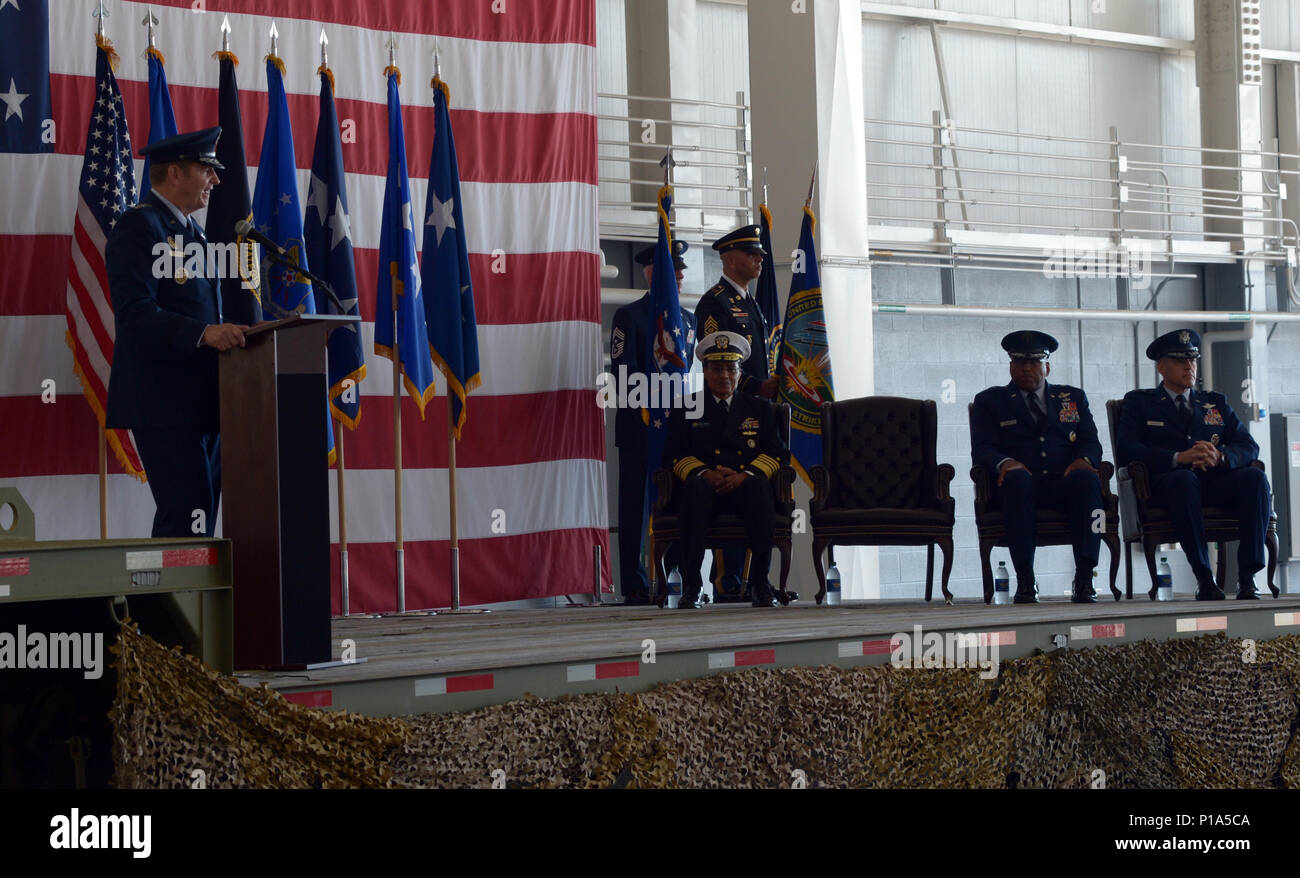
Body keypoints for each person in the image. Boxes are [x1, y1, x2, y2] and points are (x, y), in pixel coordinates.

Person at [105, 127, 248, 538]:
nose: (216, 180)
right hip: (164, 404)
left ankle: (190, 602)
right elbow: (135, 313)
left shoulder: (194, 233)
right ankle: (164, 604)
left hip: (203, 403)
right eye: (208, 170)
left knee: (199, 519)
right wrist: (205, 333)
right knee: (185, 519)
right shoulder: (140, 226)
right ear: (175, 173)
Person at [1116, 329, 1270, 600]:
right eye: (1180, 361)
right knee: (1184, 480)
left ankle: (1248, 577)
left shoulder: (1215, 402)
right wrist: (1178, 457)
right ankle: (1204, 576)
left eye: (1192, 360)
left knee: (1254, 479)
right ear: (1162, 367)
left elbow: (1248, 445)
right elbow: (1128, 450)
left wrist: (1220, 456)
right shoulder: (1140, 402)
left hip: (1212, 480)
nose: (1189, 366)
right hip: (1167, 484)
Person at [970, 331, 1104, 603]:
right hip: (1019, 484)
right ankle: (1025, 579)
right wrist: (1006, 463)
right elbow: (982, 448)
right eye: (1020, 363)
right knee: (1017, 483)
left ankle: (1085, 576)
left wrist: (1085, 460)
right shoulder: (990, 401)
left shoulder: (1073, 398)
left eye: (1034, 362)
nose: (1027, 368)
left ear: (1047, 366)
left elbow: (1092, 442)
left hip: (1063, 482)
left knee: (1090, 482)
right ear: (1011, 366)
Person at [663, 331, 786, 609]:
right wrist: (705, 473)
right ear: (705, 371)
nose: (724, 375)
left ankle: (760, 585)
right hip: (706, 489)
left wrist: (745, 475)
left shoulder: (759, 408)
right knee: (692, 489)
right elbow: (673, 455)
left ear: (740, 372)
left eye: (731, 368)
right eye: (717, 368)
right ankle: (693, 587)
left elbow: (778, 453)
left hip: (745, 488)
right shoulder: (687, 407)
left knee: (759, 487)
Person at [609, 240, 696, 605]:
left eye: (679, 272)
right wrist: (652, 405)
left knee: (678, 504)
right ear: (650, 274)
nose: (677, 277)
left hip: (677, 429)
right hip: (638, 427)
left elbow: (690, 376)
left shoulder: (688, 321)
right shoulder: (629, 317)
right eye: (669, 271)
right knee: (634, 508)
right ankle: (635, 583)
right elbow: (621, 373)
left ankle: (676, 578)